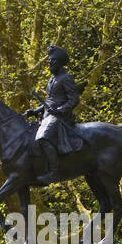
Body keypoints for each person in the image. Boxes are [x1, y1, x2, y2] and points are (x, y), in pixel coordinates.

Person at [24, 44, 81, 185]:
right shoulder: (52, 79)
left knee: (43, 137)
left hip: (61, 116)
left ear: (60, 62)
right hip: (48, 115)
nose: (49, 63)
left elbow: (74, 100)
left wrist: (60, 110)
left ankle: (53, 172)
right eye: (49, 61)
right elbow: (49, 102)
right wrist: (35, 111)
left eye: (52, 61)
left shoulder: (66, 78)